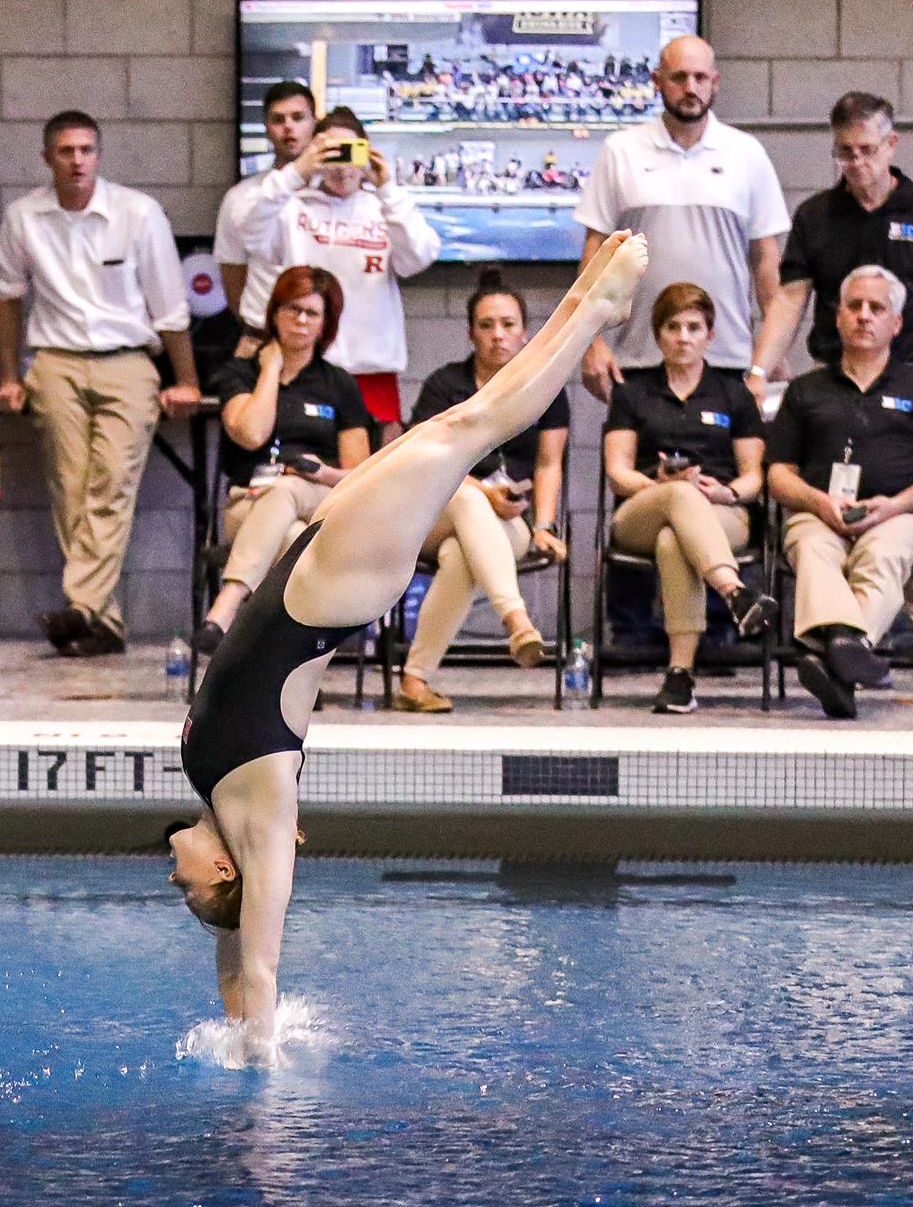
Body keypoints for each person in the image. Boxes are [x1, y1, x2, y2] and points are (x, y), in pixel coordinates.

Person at [170, 230, 650, 1066]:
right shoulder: (262, 819)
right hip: (331, 590)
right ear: (221, 871)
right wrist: (260, 1062)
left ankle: (583, 300)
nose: (170, 873)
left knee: (453, 427)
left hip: (310, 568)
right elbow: (261, 952)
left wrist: (233, 1008)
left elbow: (232, 955)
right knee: (467, 430)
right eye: (182, 886)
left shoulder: (214, 791)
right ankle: (591, 314)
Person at [0, 111, 200, 655]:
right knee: (70, 486)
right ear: (47, 158)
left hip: (128, 359)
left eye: (86, 150)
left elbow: (169, 306)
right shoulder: (24, 216)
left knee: (112, 482)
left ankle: (82, 606)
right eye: (66, 151)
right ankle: (102, 624)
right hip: (55, 359)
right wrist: (9, 376)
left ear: (99, 156)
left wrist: (187, 381)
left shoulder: (138, 212)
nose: (77, 161)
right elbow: (6, 297)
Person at [765, 266, 913, 720]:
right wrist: (819, 502)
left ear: (896, 323)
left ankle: (834, 657)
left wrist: (895, 505)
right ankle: (849, 652)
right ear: (837, 317)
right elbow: (778, 474)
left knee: (882, 553)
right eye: (854, 306)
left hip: (900, 514)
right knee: (812, 548)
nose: (863, 315)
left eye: (876, 308)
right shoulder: (804, 390)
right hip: (818, 512)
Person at [573, 34, 789, 402]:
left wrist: (773, 352)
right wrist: (588, 342)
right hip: (638, 360)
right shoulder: (620, 151)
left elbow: (765, 262)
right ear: (657, 81)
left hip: (727, 361)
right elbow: (595, 256)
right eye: (679, 77)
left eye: (700, 78)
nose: (691, 88)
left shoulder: (746, 153)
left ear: (714, 82)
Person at [392, 269, 571, 713]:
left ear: (525, 333)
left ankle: (414, 681)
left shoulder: (545, 387)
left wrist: (544, 525)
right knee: (468, 496)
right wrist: (482, 492)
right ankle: (516, 618)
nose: (498, 335)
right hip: (436, 512)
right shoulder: (444, 384)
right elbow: (425, 460)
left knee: (461, 558)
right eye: (486, 325)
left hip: (508, 521)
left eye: (508, 325)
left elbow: (549, 464)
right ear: (471, 333)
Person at [751, 92, 913, 432]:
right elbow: (790, 299)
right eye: (845, 152)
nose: (856, 162)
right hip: (833, 374)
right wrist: (758, 372)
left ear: (891, 144)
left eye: (867, 150)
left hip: (911, 373)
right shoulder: (815, 216)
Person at [603, 283, 778, 714]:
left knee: (674, 541)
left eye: (694, 328)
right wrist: (661, 485)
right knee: (678, 499)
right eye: (673, 327)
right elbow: (618, 473)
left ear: (709, 335)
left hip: (720, 510)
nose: (683, 337)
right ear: (658, 334)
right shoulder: (632, 392)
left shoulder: (733, 393)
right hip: (643, 508)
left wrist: (726, 492)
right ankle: (734, 591)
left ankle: (679, 676)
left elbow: (754, 476)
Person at [190, 266, 371, 652]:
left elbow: (360, 474)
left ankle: (226, 606)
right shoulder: (240, 373)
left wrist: (320, 473)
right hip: (250, 504)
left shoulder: (338, 383)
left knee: (289, 488)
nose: (301, 321)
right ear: (274, 314)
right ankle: (293, 653)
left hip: (321, 502)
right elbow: (252, 433)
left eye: (312, 313)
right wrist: (270, 369)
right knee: (290, 538)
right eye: (292, 309)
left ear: (325, 324)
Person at [243, 107, 441, 435]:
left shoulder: (384, 209)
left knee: (379, 465)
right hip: (306, 367)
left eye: (351, 152)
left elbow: (419, 256)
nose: (343, 166)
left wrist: (387, 188)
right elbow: (248, 230)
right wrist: (296, 172)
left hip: (373, 371)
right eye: (332, 153)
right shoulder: (292, 209)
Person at [214, 82, 317, 360]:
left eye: (298, 118)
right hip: (262, 339)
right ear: (267, 128)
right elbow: (233, 278)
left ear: (314, 124)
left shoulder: (336, 196)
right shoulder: (241, 198)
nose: (288, 127)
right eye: (278, 119)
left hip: (326, 345)